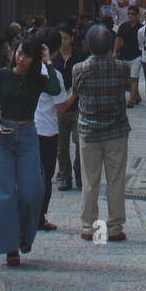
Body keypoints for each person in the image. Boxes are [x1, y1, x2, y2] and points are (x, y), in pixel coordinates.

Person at [0, 33, 62, 266]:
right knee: (4, 193)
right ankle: (11, 247)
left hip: (28, 135)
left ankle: (25, 235)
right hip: (3, 136)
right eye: (19, 53)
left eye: (28, 56)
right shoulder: (2, 75)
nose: (21, 59)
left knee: (32, 189)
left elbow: (55, 88)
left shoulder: (38, 79)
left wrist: (48, 61)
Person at [69, 24, 130, 242]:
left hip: (89, 130)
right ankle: (114, 226)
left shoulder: (78, 69)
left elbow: (76, 93)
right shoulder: (123, 67)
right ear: (112, 44)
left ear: (88, 45)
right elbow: (128, 91)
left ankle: (89, 226)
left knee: (90, 179)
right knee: (116, 180)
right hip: (117, 130)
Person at [34, 29, 70, 232]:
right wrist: (74, 94)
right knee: (45, 176)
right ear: (55, 50)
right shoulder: (53, 74)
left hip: (27, 128)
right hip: (46, 131)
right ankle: (39, 217)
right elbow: (61, 106)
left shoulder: (25, 67)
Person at [52, 22, 86, 190]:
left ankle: (79, 171)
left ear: (72, 39)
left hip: (79, 106)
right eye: (60, 39)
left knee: (80, 142)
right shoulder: (53, 59)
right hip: (59, 107)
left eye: (65, 38)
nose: (62, 41)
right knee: (61, 146)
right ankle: (65, 175)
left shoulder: (81, 56)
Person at [114, 6, 143, 107]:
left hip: (137, 56)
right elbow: (118, 39)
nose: (130, 15)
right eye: (129, 13)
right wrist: (115, 51)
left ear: (137, 15)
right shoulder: (123, 26)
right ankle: (137, 96)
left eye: (133, 14)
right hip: (124, 55)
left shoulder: (141, 27)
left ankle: (131, 100)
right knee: (128, 79)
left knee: (133, 78)